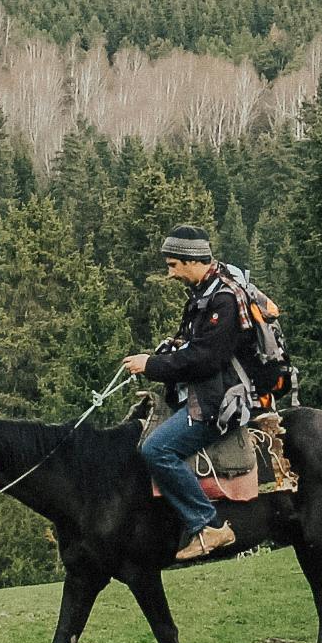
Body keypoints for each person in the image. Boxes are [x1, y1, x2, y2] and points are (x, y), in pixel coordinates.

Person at [122, 224, 253, 563]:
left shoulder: (223, 299)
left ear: (191, 260)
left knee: (157, 450)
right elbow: (193, 345)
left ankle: (207, 525)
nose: (170, 273)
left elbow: (207, 359)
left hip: (219, 402)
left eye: (173, 265)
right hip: (203, 393)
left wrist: (151, 366)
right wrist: (169, 350)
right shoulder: (204, 293)